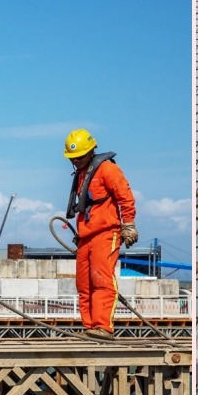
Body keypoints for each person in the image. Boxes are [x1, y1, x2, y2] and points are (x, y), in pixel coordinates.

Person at [61, 128, 137, 341]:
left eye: (80, 157)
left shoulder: (107, 170)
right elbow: (86, 206)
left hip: (106, 232)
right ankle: (90, 326)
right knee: (84, 283)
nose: (76, 161)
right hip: (87, 235)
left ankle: (103, 326)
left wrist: (128, 224)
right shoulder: (82, 174)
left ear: (91, 151)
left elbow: (125, 196)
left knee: (102, 278)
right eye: (73, 158)